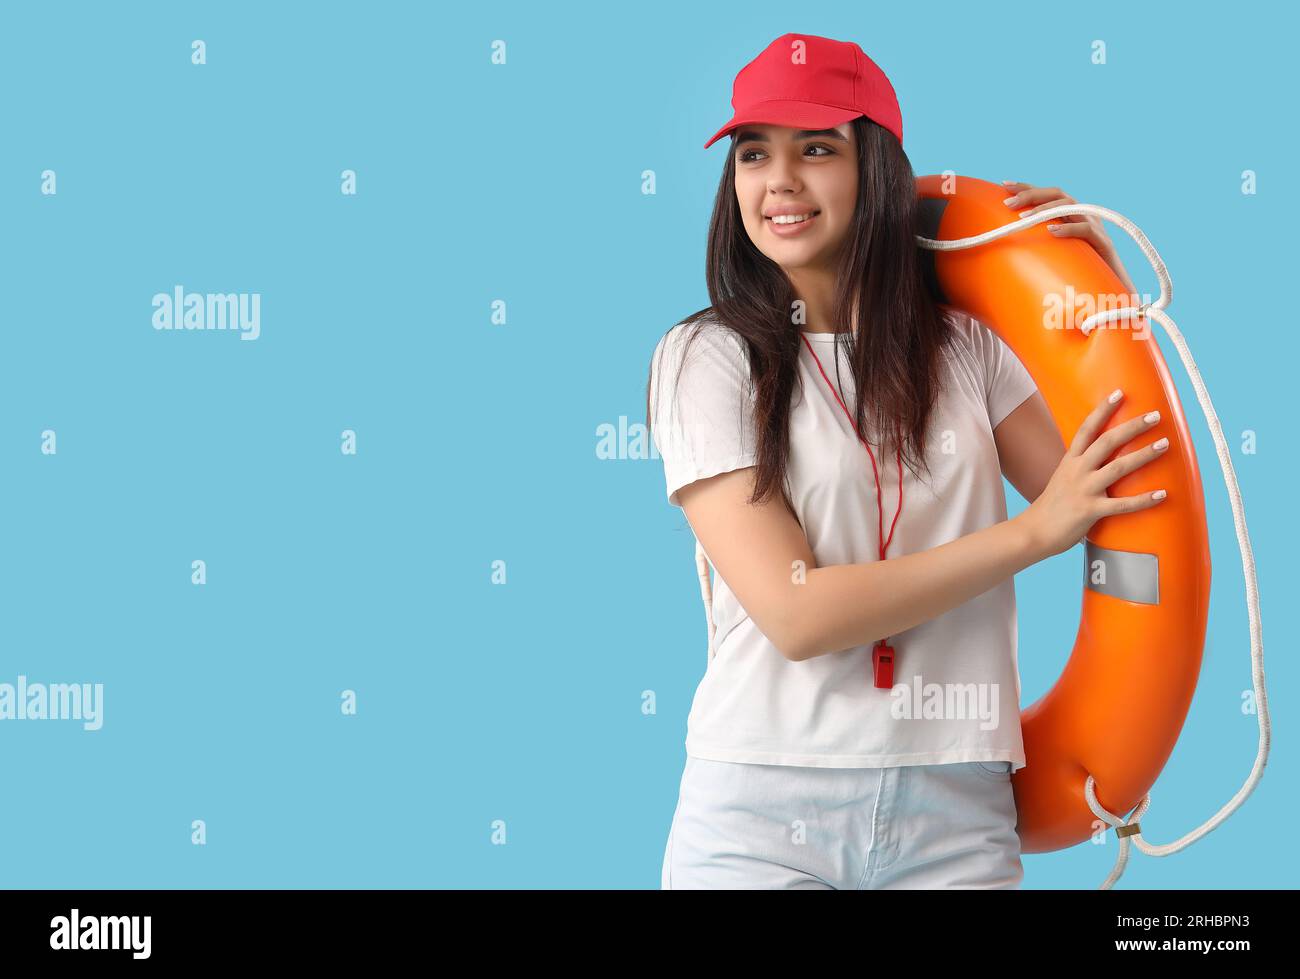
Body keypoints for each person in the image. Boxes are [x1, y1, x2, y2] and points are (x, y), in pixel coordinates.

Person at [646, 33, 1168, 889]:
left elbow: (1106, 487)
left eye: (817, 149)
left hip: (956, 810)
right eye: (754, 153)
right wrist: (1030, 536)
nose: (779, 180)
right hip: (763, 810)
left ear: (878, 169)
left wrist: (1096, 295)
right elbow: (796, 614)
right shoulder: (706, 358)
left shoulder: (967, 349)